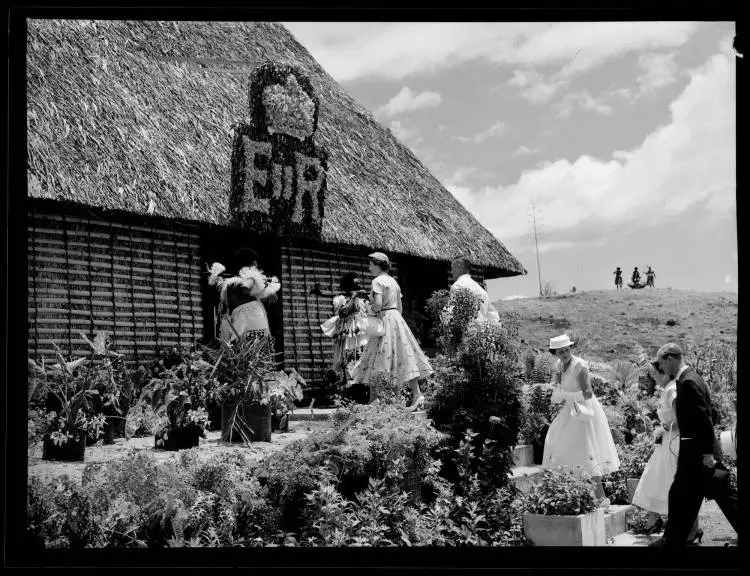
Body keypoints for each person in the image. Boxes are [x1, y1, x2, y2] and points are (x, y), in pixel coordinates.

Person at [649, 343, 739, 547]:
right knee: (686, 495)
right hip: (695, 450)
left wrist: (707, 452)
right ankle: (674, 540)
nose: (662, 368)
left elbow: (705, 418)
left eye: (662, 363)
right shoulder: (692, 377)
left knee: (694, 493)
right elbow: (712, 412)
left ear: (669, 359)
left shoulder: (688, 381)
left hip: (696, 453)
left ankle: (672, 540)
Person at [351, 252, 433, 410]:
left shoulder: (377, 282)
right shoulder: (393, 282)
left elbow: (378, 305)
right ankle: (417, 394)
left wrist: (368, 305)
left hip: (385, 318)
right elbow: (400, 307)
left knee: (376, 355)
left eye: (370, 265)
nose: (369, 268)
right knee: (405, 355)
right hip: (396, 318)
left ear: (377, 265)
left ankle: (374, 399)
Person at [632, 360, 702, 543]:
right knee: (655, 478)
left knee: (675, 484)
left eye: (655, 374)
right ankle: (656, 519)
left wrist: (663, 428)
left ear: (664, 373)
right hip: (667, 442)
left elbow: (683, 418)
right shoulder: (668, 389)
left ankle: (691, 528)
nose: (654, 378)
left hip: (674, 443)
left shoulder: (672, 390)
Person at [542, 334, 620, 496]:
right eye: (561, 351)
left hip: (584, 410)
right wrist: (549, 390)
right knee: (557, 443)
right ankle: (572, 491)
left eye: (567, 349)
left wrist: (564, 396)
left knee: (586, 450)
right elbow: (556, 382)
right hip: (569, 410)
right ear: (555, 353)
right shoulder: (559, 364)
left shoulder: (579, 365)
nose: (565, 353)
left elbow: (588, 393)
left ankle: (600, 497)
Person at [207, 247, 281, 344]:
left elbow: (273, 298)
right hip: (247, 327)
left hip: (250, 327)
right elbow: (245, 291)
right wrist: (260, 285)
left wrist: (264, 286)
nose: (257, 265)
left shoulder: (235, 285)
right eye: (255, 263)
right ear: (252, 264)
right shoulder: (237, 285)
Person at [320, 272, 369, 388]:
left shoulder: (361, 300)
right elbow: (342, 313)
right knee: (347, 358)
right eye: (355, 283)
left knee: (361, 355)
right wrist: (353, 297)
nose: (359, 285)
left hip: (359, 333)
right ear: (347, 286)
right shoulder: (340, 299)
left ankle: (363, 386)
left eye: (359, 283)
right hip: (347, 334)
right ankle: (349, 387)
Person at [449, 256, 500, 325]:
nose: (451, 272)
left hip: (466, 333)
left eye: (452, 268)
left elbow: (452, 314)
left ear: (459, 266)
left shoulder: (458, 286)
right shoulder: (482, 290)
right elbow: (493, 317)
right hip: (482, 333)